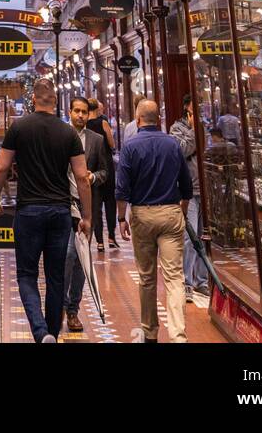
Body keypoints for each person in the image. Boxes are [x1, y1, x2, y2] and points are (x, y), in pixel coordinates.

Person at [0, 78, 91, 344]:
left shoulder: (19, 127)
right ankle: (52, 335)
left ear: (32, 100)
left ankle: (40, 332)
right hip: (60, 212)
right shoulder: (68, 133)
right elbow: (82, 177)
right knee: (56, 277)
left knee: (26, 274)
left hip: (29, 212)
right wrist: (88, 217)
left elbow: (1, 168)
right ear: (56, 102)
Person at [116, 98, 192, 344]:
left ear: (138, 120)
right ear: (158, 119)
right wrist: (181, 209)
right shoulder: (172, 144)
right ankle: (178, 336)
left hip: (143, 215)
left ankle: (150, 333)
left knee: (147, 277)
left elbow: (122, 188)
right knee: (174, 277)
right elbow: (187, 184)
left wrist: (121, 218)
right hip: (171, 213)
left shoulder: (130, 146)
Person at [64, 95, 107, 333]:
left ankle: (73, 310)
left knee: (82, 260)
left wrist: (92, 177)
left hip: (87, 206)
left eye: (84, 112)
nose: (80, 115)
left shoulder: (97, 140)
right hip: (65, 204)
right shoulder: (61, 137)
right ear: (69, 112)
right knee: (68, 255)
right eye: (76, 111)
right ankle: (61, 304)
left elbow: (105, 172)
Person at [170, 95, 209, 300]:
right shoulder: (176, 129)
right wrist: (195, 130)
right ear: (187, 108)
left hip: (206, 190)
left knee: (204, 237)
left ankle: (201, 280)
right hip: (189, 192)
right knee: (189, 237)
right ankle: (186, 281)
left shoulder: (207, 126)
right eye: (197, 105)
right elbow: (182, 150)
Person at [87, 98, 118, 252]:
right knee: (110, 202)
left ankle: (99, 241)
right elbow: (112, 144)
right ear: (97, 109)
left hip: (92, 168)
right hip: (106, 166)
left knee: (96, 206)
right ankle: (111, 237)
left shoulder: (85, 125)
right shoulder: (103, 123)